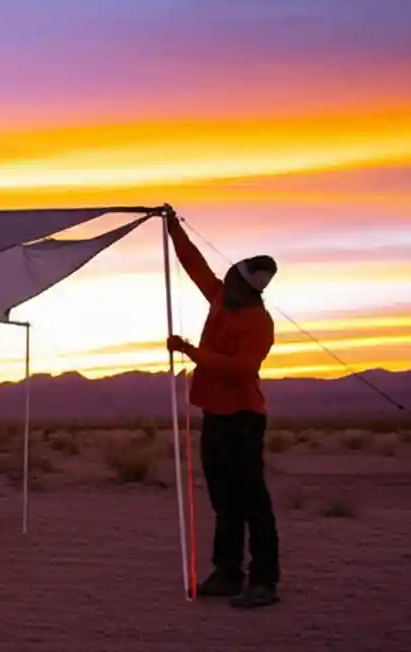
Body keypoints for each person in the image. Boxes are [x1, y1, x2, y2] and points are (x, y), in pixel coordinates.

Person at [165, 212, 281, 609]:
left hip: (243, 418)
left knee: (251, 499)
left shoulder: (258, 322)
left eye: (232, 280)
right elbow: (193, 264)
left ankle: (264, 580)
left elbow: (241, 369)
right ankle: (228, 572)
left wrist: (190, 352)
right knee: (223, 498)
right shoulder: (220, 297)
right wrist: (173, 227)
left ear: (246, 288)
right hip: (214, 413)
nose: (225, 282)